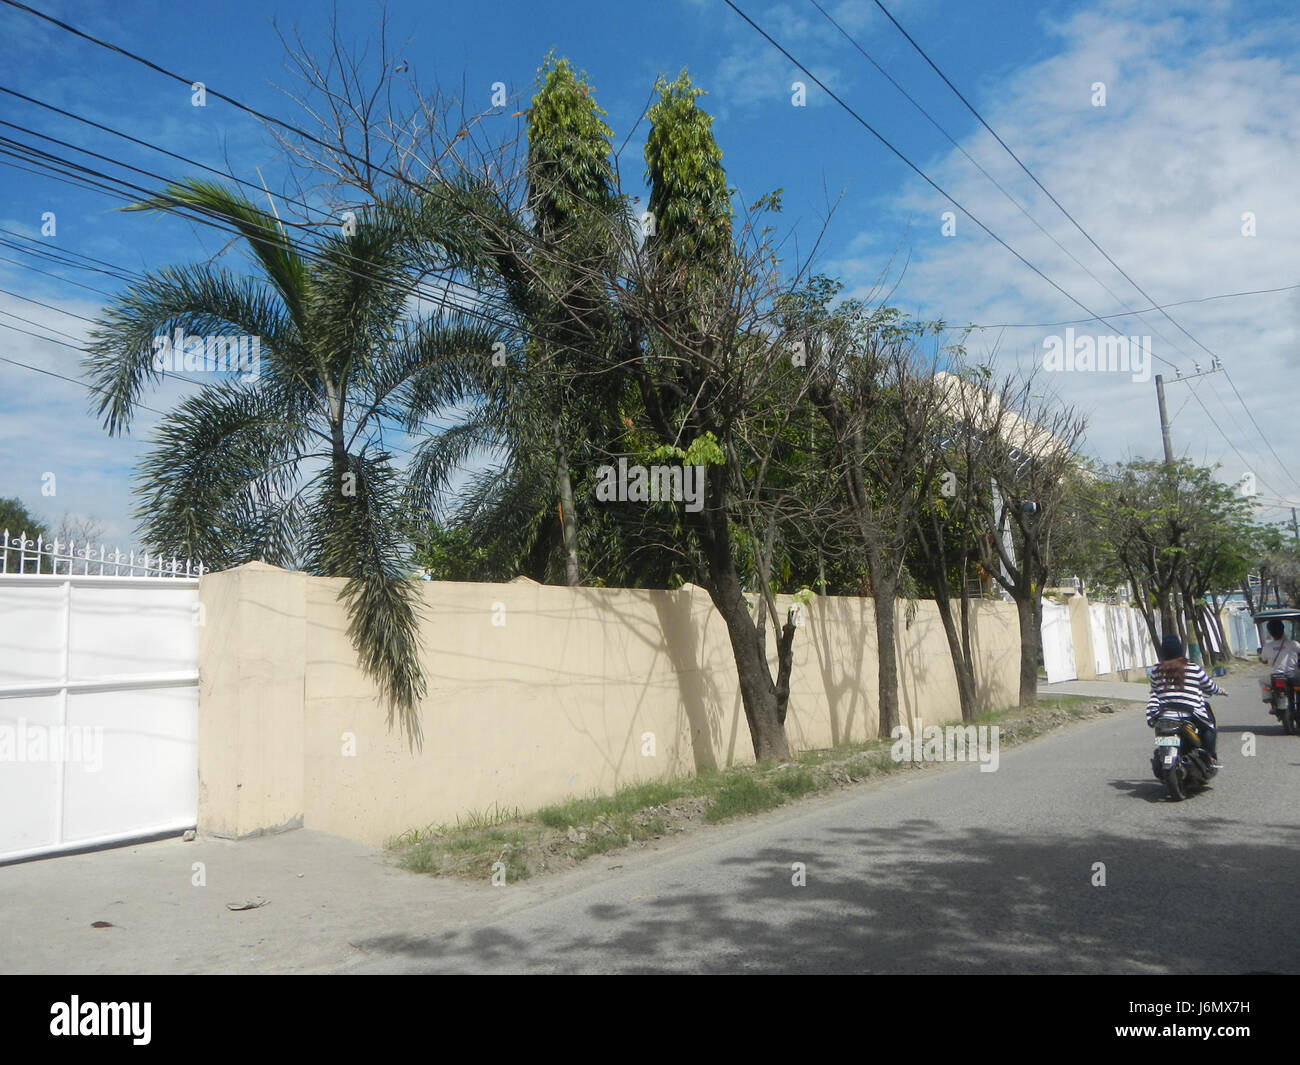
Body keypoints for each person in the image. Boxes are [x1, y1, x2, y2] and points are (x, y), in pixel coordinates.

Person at [1147, 633, 1225, 769]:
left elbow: (1154, 689)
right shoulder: (1193, 668)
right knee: (1209, 728)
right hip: (1190, 714)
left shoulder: (1156, 670)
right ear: (1180, 651)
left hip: (1164, 715)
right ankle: (1210, 757)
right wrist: (1220, 691)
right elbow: (1209, 686)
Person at [1258, 618, 1300, 705]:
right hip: (1293, 675)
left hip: (1277, 676)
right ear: (1283, 629)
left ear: (1270, 632)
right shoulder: (1294, 644)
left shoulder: (1267, 647)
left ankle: (1267, 697)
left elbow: (1264, 660)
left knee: (1262, 681)